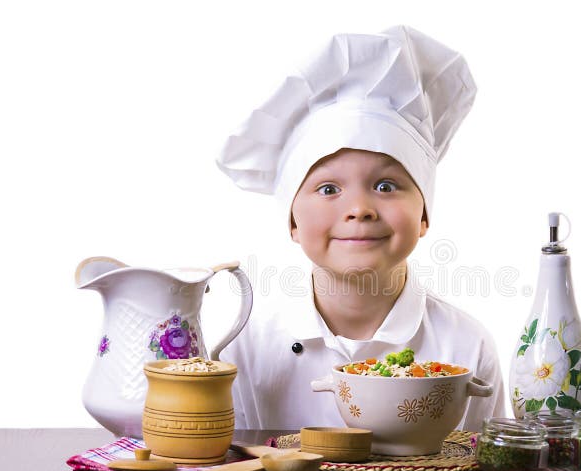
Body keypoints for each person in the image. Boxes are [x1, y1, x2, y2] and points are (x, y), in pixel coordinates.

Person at [216, 25, 505, 431]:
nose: (359, 209)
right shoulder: (246, 348)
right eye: (328, 188)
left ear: (424, 215)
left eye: (386, 185)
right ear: (293, 222)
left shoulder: (467, 346)